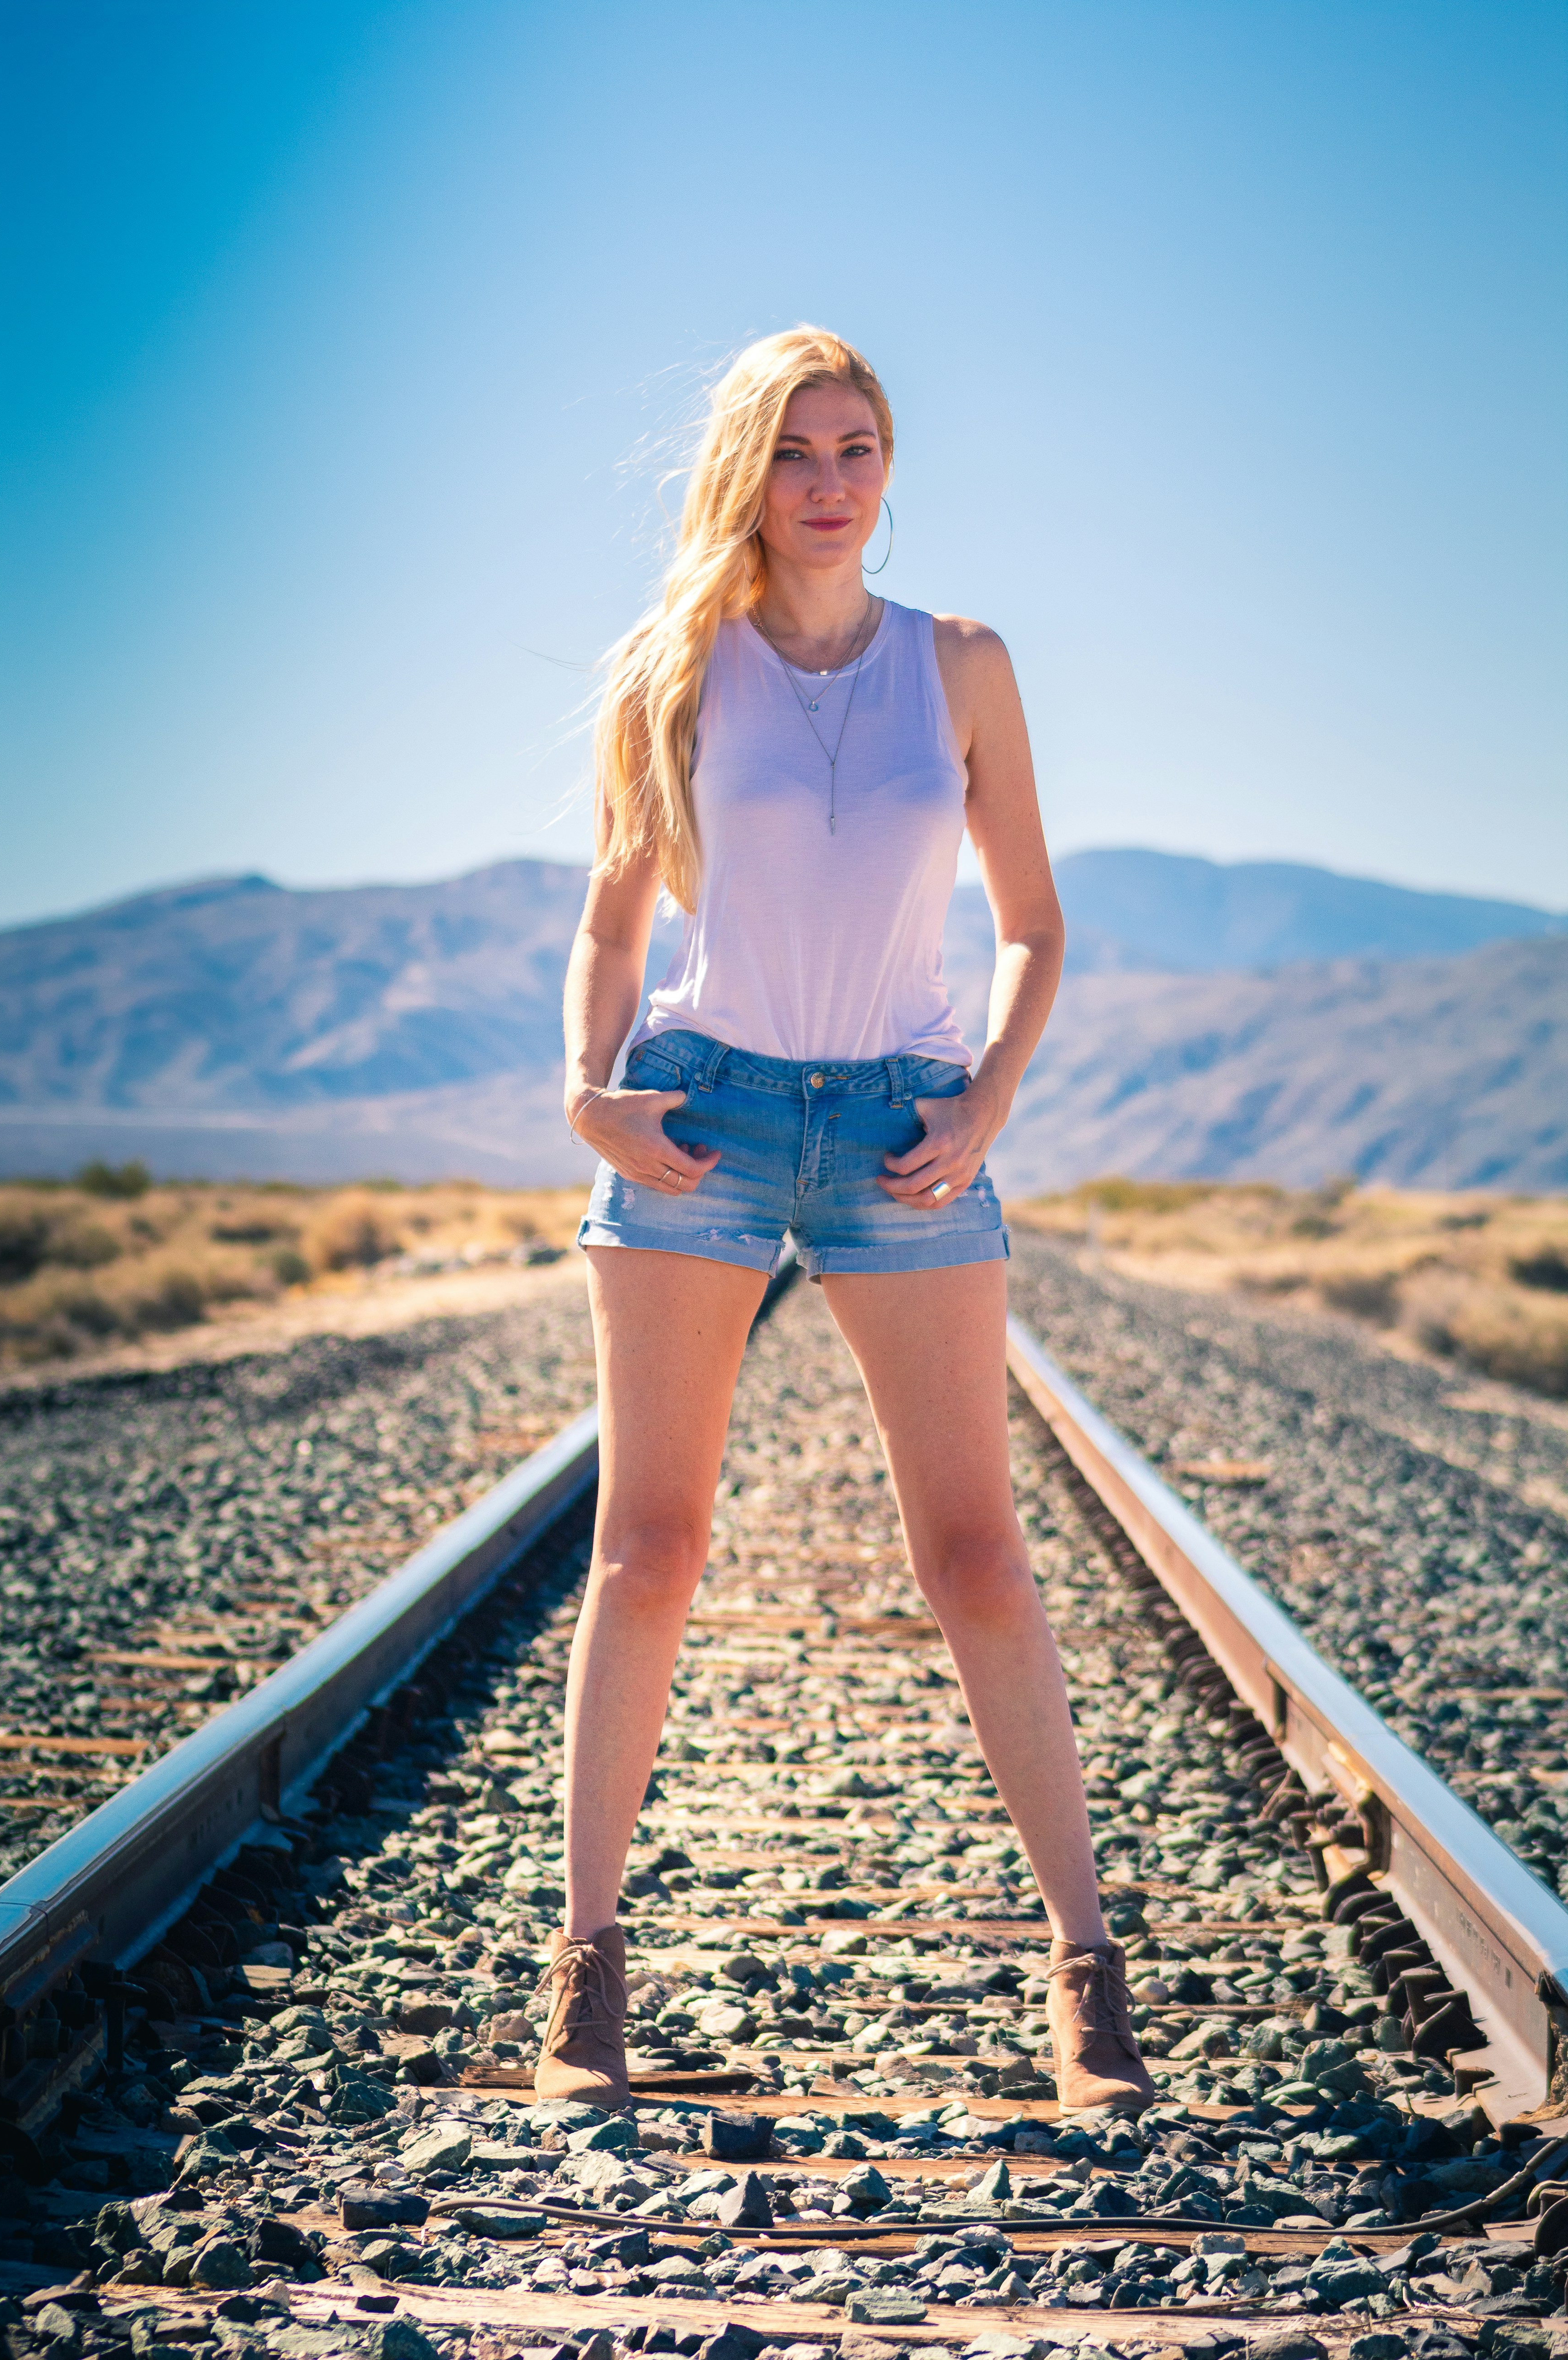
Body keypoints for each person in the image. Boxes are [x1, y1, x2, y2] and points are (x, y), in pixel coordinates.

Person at [543, 326, 1154, 2116]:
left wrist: (986, 1103)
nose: (832, 481)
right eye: (801, 450)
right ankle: (585, 1978)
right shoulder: (679, 665)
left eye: (861, 446)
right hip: (703, 1123)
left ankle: (1088, 1981)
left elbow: (1033, 922)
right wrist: (588, 1081)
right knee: (648, 1551)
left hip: (902, 1133)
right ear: (752, 470)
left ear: (893, 467)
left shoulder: (961, 667)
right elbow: (610, 923)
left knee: (976, 1558)